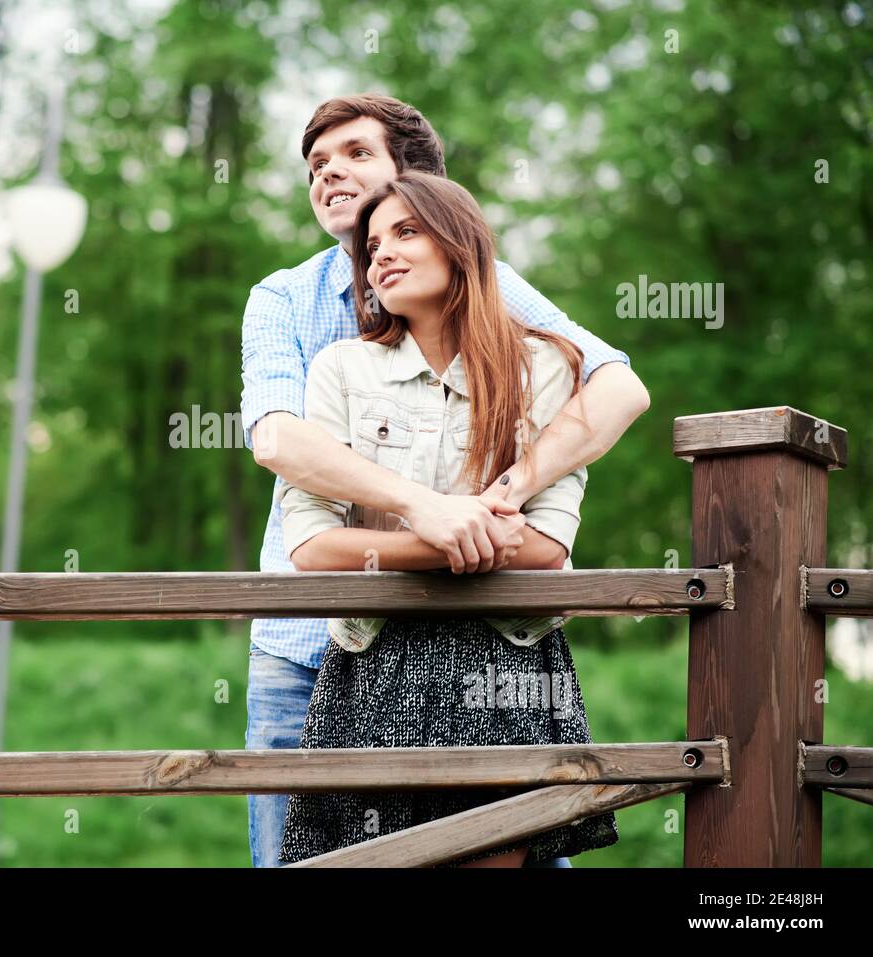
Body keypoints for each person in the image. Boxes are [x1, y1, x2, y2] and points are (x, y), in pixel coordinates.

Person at [241, 93, 647, 868]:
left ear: (417, 178)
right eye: (316, 165)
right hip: (309, 647)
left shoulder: (484, 281)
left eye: (355, 153)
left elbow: (617, 388)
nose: (329, 173)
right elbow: (277, 439)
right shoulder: (284, 299)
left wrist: (508, 492)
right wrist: (429, 511)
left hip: (481, 644)